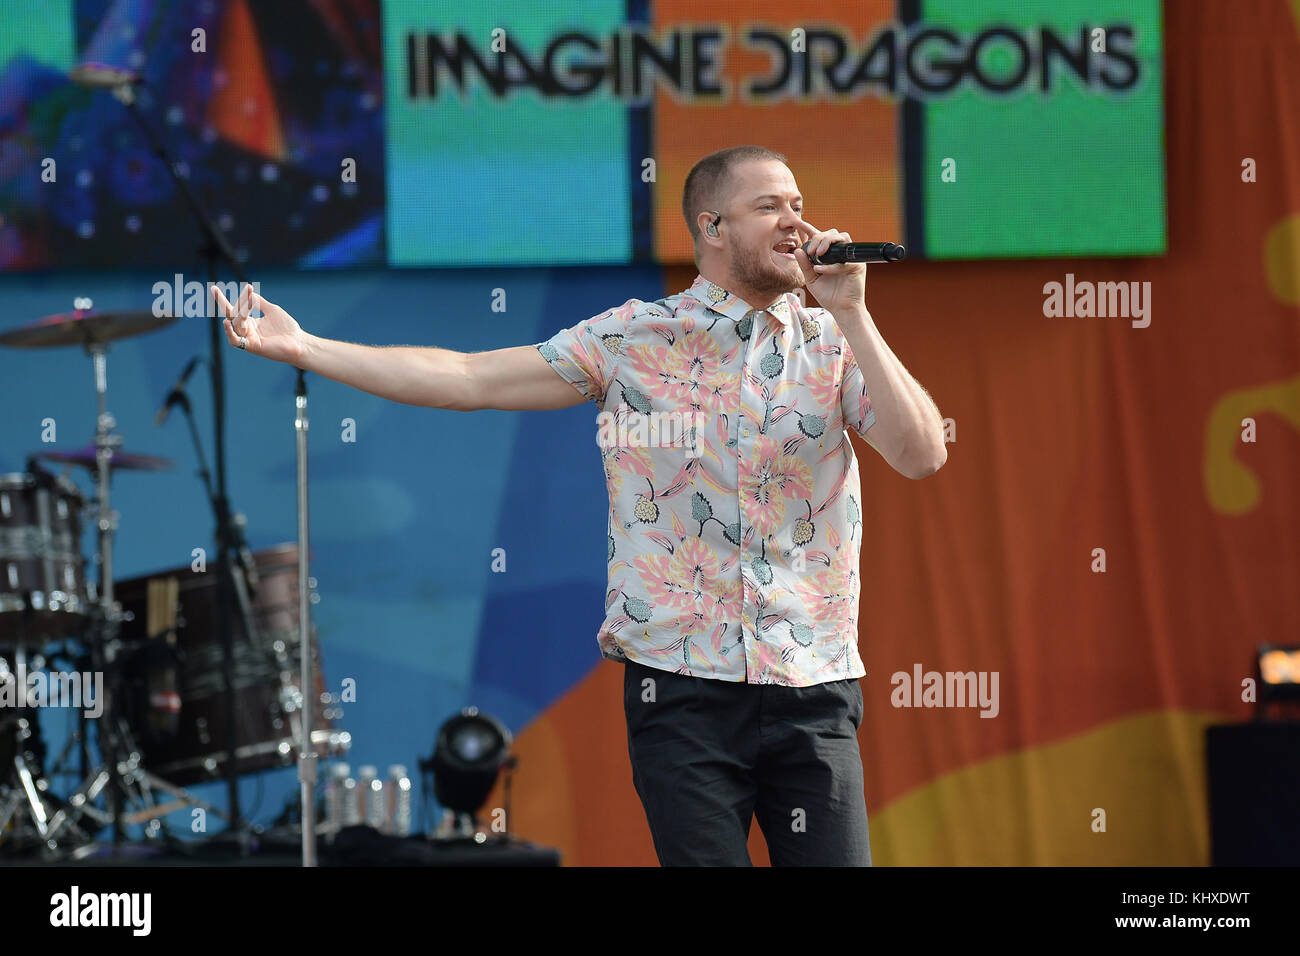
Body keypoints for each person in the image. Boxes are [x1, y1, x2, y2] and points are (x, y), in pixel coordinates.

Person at [212, 144, 947, 866]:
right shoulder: (633, 336)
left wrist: (852, 313)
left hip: (812, 683)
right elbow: (471, 379)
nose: (795, 223)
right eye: (768, 207)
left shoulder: (832, 341)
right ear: (712, 227)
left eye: (798, 206)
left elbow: (921, 455)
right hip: (682, 688)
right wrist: (308, 346)